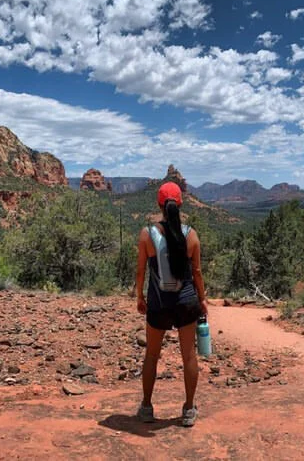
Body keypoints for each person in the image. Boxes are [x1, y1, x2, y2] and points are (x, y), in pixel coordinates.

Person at [134, 181, 209, 426]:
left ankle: (146, 407)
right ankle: (188, 409)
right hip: (186, 302)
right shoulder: (191, 235)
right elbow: (197, 272)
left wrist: (140, 298)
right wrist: (203, 299)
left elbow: (141, 272)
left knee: (152, 355)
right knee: (188, 356)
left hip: (158, 303)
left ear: (159, 204)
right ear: (180, 203)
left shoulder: (148, 234)